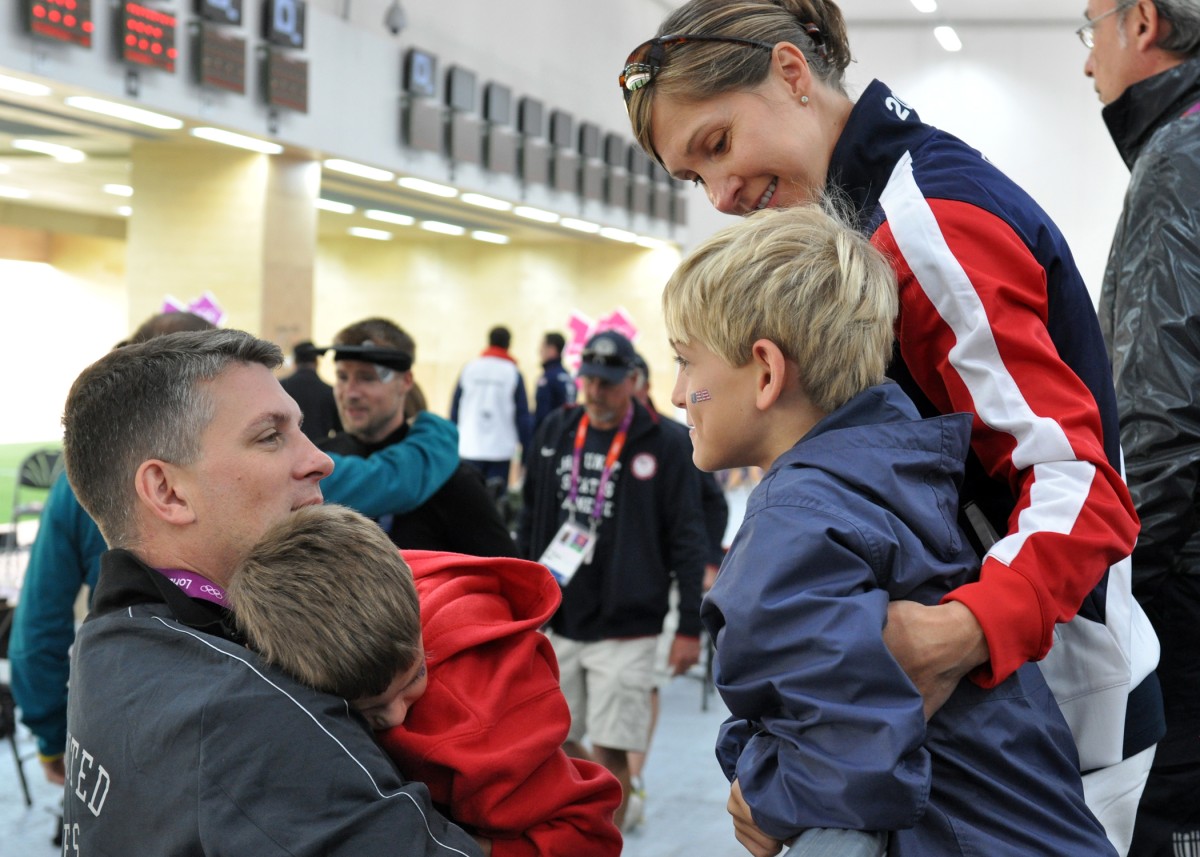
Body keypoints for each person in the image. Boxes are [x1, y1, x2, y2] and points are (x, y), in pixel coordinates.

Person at [620, 2, 1161, 851]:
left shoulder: (925, 223)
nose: (721, 196)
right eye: (694, 179)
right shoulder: (870, 220)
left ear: (792, 73)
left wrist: (959, 631)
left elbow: (1080, 486)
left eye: (717, 145)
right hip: (980, 724)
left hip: (1045, 710)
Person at [667, 203, 1116, 856]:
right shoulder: (894, 469)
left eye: (686, 362)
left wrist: (760, 782)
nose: (678, 393)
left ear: (765, 371)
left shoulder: (793, 524)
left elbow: (846, 764)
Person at [57, 328, 480, 855]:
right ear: (168, 491)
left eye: (300, 429)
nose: (320, 460)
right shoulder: (247, 710)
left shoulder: (110, 638)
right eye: (270, 437)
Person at [227, 503, 624, 857]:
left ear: (416, 620)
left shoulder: (476, 708)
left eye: (414, 677)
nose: (396, 716)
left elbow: (588, 834)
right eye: (372, 710)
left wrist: (469, 847)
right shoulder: (358, 584)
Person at [1081, 2, 1200, 852]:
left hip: (1184, 589)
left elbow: (1163, 415)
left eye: (1089, 29)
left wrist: (1121, 603)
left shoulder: (1180, 157)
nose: (1088, 62)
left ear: (1143, 22)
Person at [517, 329, 709, 830]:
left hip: (628, 624)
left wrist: (690, 627)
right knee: (554, 739)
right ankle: (587, 822)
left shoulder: (665, 442)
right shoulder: (556, 430)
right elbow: (529, 518)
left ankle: (609, 838)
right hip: (559, 616)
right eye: (589, 381)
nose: (596, 392)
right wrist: (521, 605)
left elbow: (688, 538)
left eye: (607, 382)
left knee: (611, 748)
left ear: (632, 380)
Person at [624, 350, 729, 831]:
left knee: (644, 681)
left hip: (662, 582)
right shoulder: (586, 432)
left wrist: (707, 564)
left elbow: (712, 507)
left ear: (637, 385)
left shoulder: (672, 440)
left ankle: (632, 778)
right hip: (605, 591)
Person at [321, 317, 518, 557]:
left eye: (367, 377)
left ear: (406, 382)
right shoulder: (320, 463)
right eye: (342, 377)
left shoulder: (451, 480)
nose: (350, 393)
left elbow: (506, 570)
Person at [451, 326, 533, 494]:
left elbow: (454, 409)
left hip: (469, 447)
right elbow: (523, 417)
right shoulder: (513, 373)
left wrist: (452, 443)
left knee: (468, 499)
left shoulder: (469, 369)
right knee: (495, 502)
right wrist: (526, 453)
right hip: (500, 450)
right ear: (509, 344)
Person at [280, 340, 342, 443]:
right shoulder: (329, 391)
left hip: (287, 449)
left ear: (295, 361)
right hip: (321, 449)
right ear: (317, 362)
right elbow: (340, 433)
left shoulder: (280, 388)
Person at [533, 331, 577, 431]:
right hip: (567, 433)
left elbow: (542, 415)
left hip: (551, 434)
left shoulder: (548, 378)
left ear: (552, 349)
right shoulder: (568, 377)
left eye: (543, 346)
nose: (540, 350)